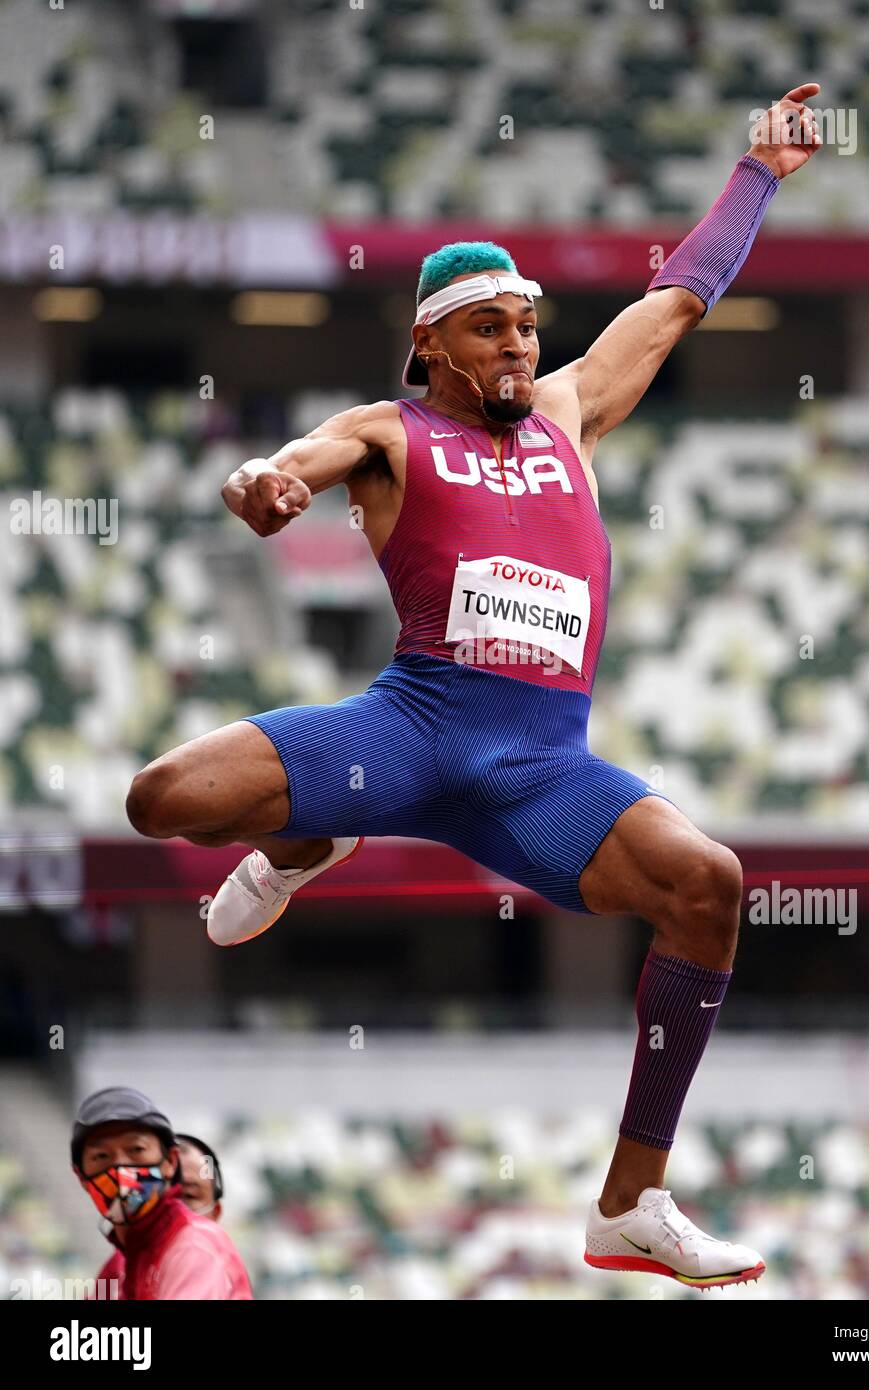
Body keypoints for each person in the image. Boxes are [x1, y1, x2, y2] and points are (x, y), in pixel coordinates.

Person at [125, 86, 821, 1289]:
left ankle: (628, 1205)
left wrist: (757, 171)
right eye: (489, 329)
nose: (518, 346)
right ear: (429, 346)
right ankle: (304, 842)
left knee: (711, 883)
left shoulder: (568, 414)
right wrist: (268, 484)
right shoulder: (388, 430)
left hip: (541, 763)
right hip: (412, 726)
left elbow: (677, 300)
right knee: (160, 797)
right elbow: (298, 461)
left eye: (527, 325)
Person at [71, 1087, 251, 1300]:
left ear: (170, 1163)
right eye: (101, 1156)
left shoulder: (194, 1246)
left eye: (136, 1149)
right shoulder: (124, 1264)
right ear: (81, 1177)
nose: (121, 1169)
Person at [91, 1130, 227, 1296]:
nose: (172, 1209)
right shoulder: (117, 1270)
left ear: (215, 1213)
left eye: (187, 1196)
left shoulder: (224, 1278)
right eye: (158, 1194)